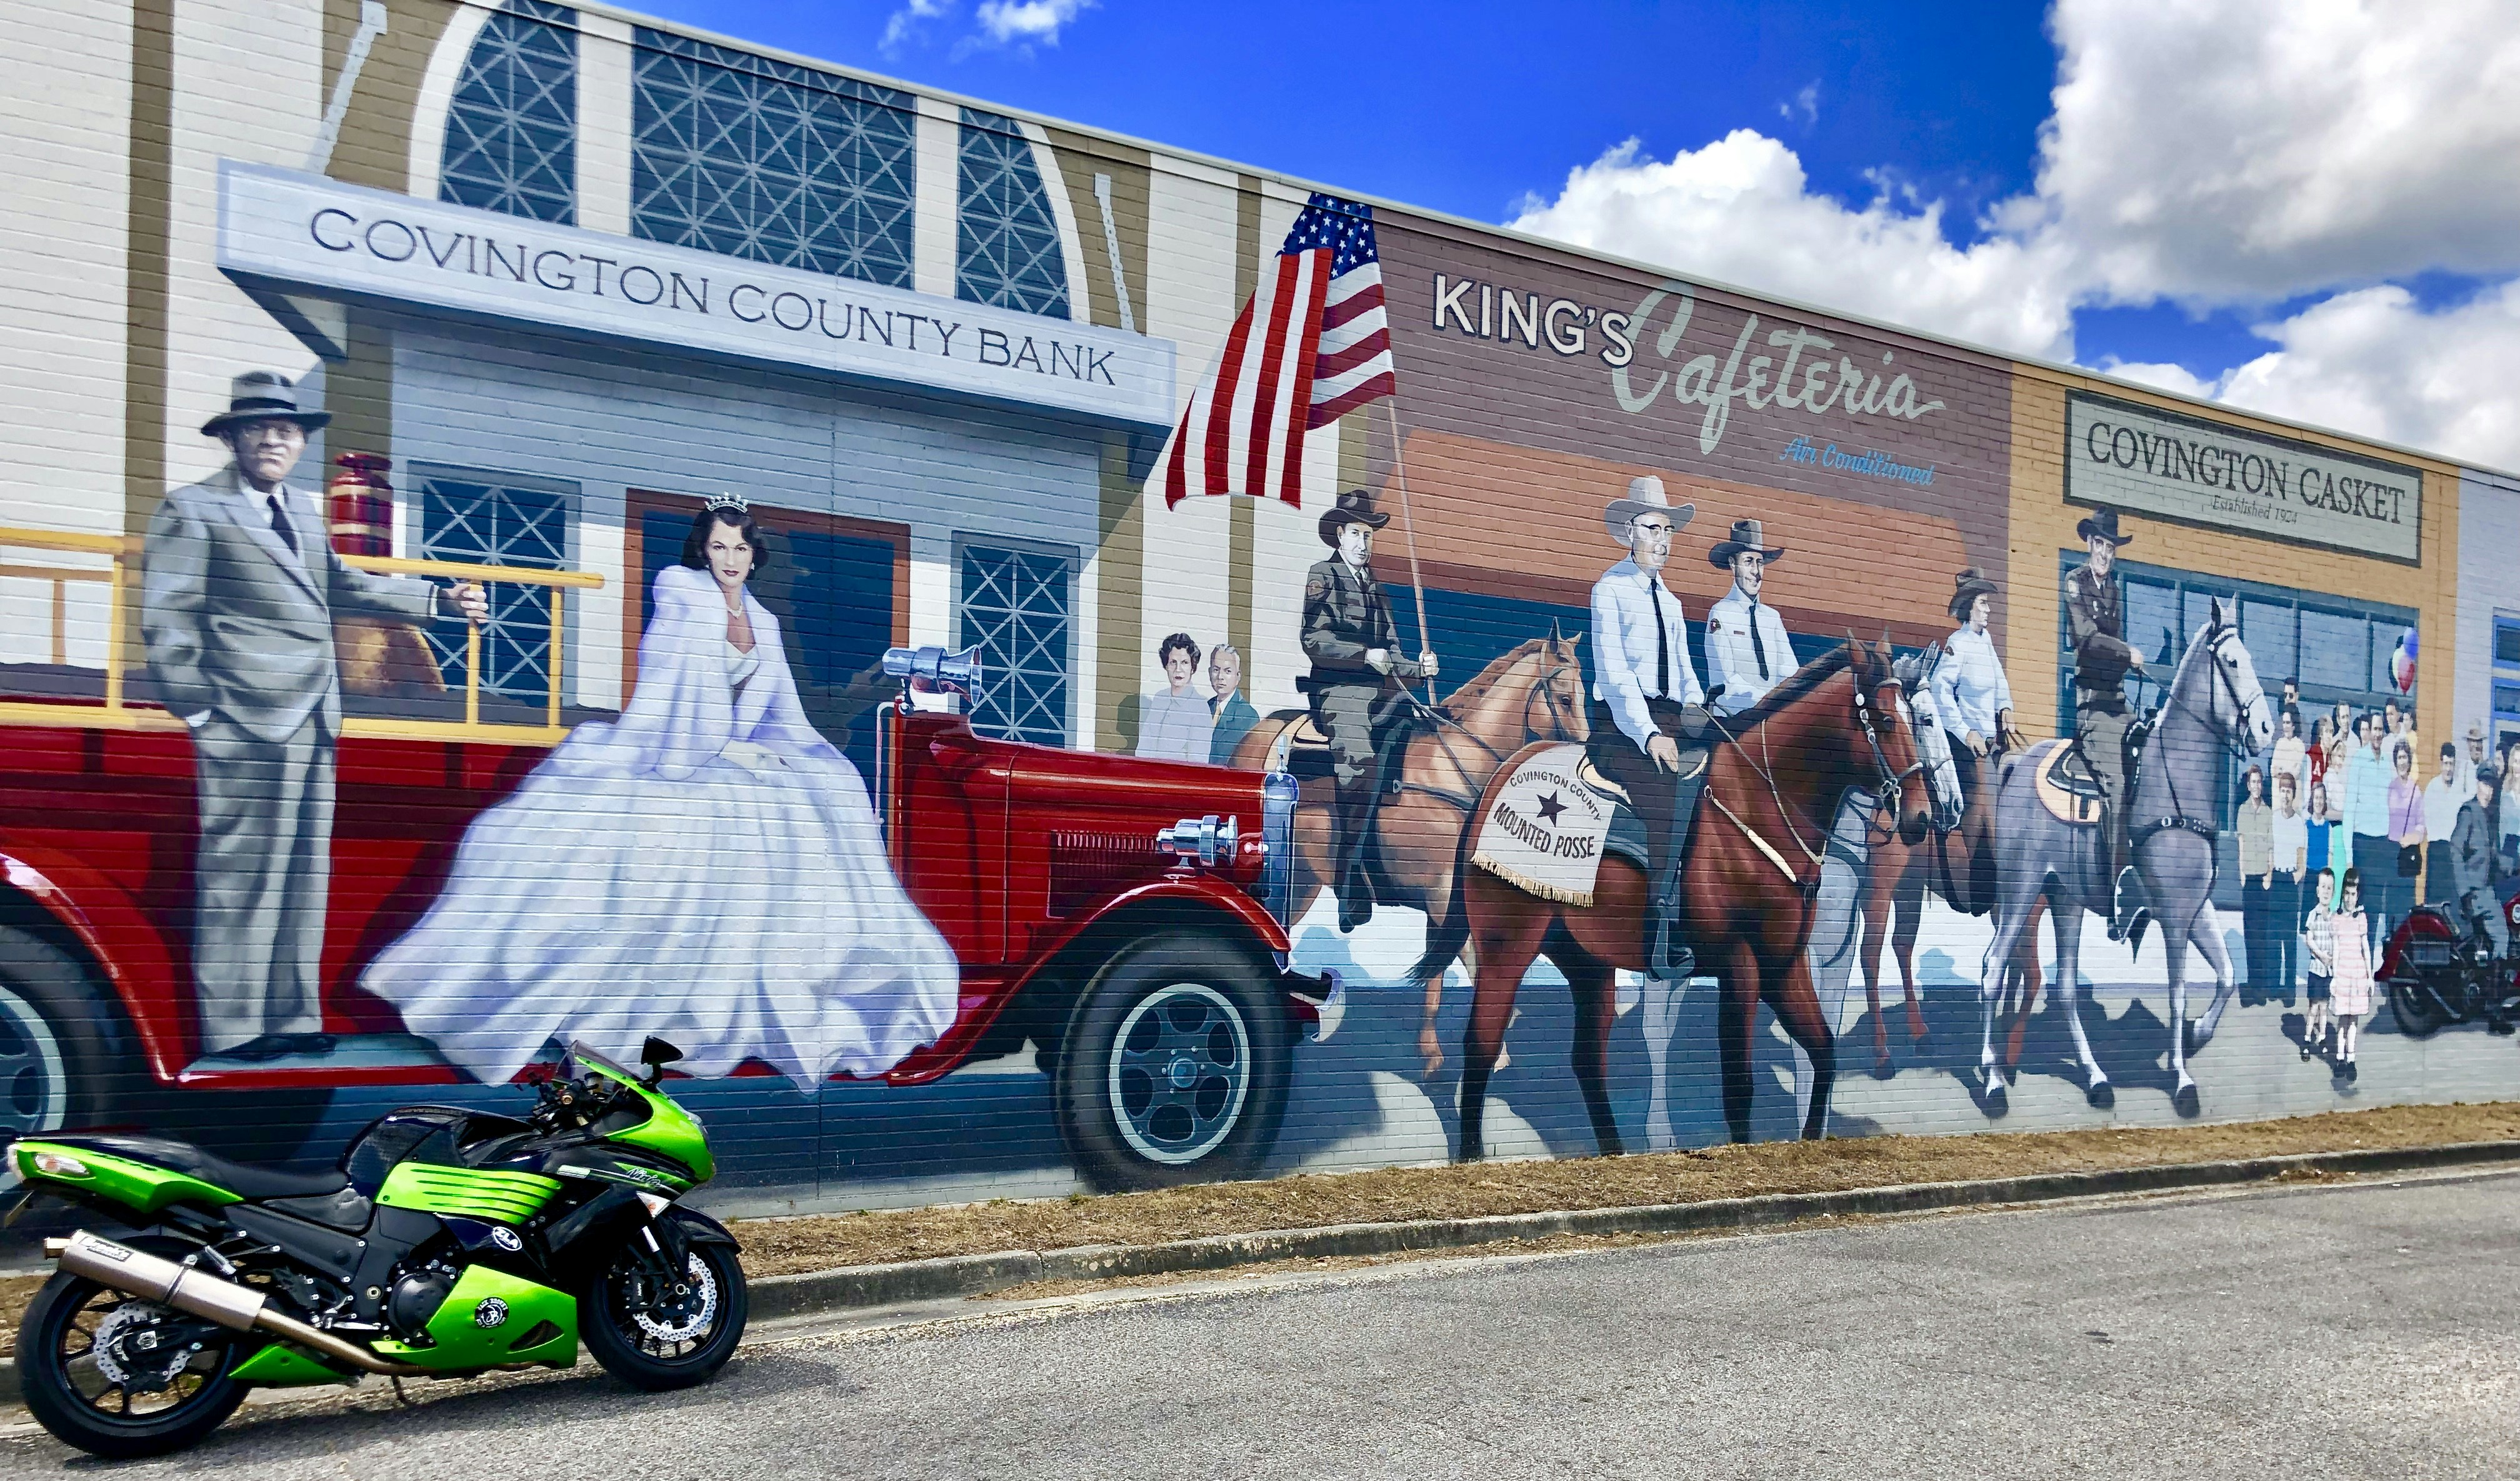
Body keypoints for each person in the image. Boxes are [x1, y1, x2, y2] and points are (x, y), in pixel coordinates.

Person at [363, 497, 960, 1089]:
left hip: (735, 756)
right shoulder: (680, 595)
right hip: (674, 751)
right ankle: (632, 1024)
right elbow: (666, 694)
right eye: (719, 546)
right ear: (703, 550)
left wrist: (801, 752)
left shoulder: (766, 622)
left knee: (821, 793)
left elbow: (781, 711)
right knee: (670, 848)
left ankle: (758, 994)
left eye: (741, 547)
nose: (730, 558)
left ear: (756, 557)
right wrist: (720, 750)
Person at [139, 371, 488, 1063]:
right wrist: (202, 710)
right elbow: (168, 619)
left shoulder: (299, 508)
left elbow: (343, 584)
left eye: (287, 430)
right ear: (234, 436)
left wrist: (436, 603)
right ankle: (236, 1029)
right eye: (259, 428)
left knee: (303, 871)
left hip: (311, 715)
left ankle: (293, 1018)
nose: (274, 439)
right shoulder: (193, 509)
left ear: (300, 441)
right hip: (242, 721)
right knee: (242, 876)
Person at [1587, 476, 1711, 983]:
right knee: (1669, 791)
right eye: (1654, 528)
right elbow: (1615, 677)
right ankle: (1659, 922)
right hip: (1620, 724)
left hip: (1668, 717)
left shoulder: (1674, 603)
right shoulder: (1610, 590)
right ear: (1629, 532)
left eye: (1669, 530)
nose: (1664, 540)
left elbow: (1684, 673)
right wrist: (1649, 734)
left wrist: (1701, 712)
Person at [1301, 489, 1436, 932]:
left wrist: (1419, 666)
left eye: (1369, 534)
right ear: (1339, 534)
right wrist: (1365, 656)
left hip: (1378, 691)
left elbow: (1392, 651)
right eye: (1357, 532)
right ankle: (1348, 872)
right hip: (1338, 690)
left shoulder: (1376, 587)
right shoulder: (1324, 575)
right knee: (1357, 758)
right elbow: (1314, 640)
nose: (1364, 542)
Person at [2062, 506, 2144, 938]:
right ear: (2090, 545)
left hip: (2120, 702)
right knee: (2114, 783)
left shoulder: (2116, 590)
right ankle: (2117, 898)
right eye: (2100, 545)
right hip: (2093, 709)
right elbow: (2088, 638)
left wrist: (2131, 663)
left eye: (2112, 548)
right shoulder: (2074, 582)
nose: (2105, 554)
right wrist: (2128, 652)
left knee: (2149, 765)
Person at [1930, 568, 2022, 808]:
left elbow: (1999, 679)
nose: (1988, 609)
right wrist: (1966, 732)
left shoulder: (1986, 640)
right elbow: (1940, 691)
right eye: (1983, 603)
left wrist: (2005, 708)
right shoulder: (1957, 644)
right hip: (1968, 751)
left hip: (1992, 743)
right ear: (1969, 607)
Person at [1703, 518, 1795, 716]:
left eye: (1760, 563)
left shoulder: (1772, 618)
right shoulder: (1720, 615)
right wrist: (1766, 701)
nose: (1756, 572)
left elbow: (1790, 673)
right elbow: (1726, 679)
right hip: (1733, 717)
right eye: (1749, 562)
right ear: (1733, 564)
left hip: (1772, 717)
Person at [2340, 713, 2393, 950]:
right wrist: (2349, 852)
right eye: (2375, 729)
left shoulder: (2389, 763)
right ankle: (2353, 960)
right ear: (2369, 731)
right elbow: (2350, 806)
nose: (2378, 734)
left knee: (2374, 910)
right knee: (2357, 906)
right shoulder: (2359, 759)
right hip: (2362, 843)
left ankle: (2368, 964)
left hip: (2382, 843)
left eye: (2382, 730)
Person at [2451, 766, 2509, 959]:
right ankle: (2497, 986)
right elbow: (2455, 850)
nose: (2489, 792)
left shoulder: (2487, 818)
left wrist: (2514, 865)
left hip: (2485, 892)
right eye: (2485, 785)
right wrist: (2465, 893)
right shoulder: (2469, 812)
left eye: (2492, 787)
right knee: (2502, 936)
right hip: (2476, 895)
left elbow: (2493, 857)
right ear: (2478, 785)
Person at [1134, 632, 1213, 762]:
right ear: (1166, 666)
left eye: (1185, 662)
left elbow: (1198, 761)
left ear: (1193, 668)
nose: (1178, 669)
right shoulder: (1160, 698)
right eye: (1173, 662)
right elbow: (1144, 746)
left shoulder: (1200, 707)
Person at [2328, 867, 2375, 1083]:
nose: (2349, 899)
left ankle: (2351, 1058)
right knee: (2342, 1019)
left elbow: (2366, 948)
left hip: (2357, 973)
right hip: (2343, 973)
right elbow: (2336, 949)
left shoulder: (2361, 918)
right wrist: (2335, 976)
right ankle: (2339, 1058)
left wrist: (2370, 976)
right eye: (2346, 894)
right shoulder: (2336, 919)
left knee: (2353, 1019)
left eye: (2353, 894)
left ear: (2358, 895)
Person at [2235, 766, 2274, 1007]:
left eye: (2260, 782)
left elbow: (2271, 845)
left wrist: (2269, 873)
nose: (2257, 786)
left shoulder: (2269, 812)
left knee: (2263, 935)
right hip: (2249, 877)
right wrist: (2240, 871)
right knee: (2250, 936)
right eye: (2253, 782)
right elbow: (2240, 842)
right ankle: (2250, 987)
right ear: (2248, 785)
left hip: (2263, 879)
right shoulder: (2242, 811)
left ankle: (2260, 989)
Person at [2270, 770, 2308, 1006]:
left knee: (2289, 940)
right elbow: (2269, 852)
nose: (2285, 795)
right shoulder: (2272, 819)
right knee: (2273, 938)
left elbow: (2302, 862)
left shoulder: (2299, 824)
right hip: (2274, 881)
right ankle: (2275, 987)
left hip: (2290, 883)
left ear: (2294, 795)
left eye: (2289, 792)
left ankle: (2289, 991)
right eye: (2282, 791)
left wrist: (2294, 878)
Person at [2386, 737, 2424, 935]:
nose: (2402, 762)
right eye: (2399, 757)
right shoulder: (2389, 789)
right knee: (2390, 906)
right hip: (2390, 853)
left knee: (2404, 908)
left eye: (2405, 757)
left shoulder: (2416, 791)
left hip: (2407, 854)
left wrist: (2410, 838)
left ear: (2409, 761)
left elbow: (2421, 826)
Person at [2421, 741, 2466, 906]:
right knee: (2434, 900)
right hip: (2436, 851)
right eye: (2446, 764)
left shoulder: (2460, 789)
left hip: (2453, 852)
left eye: (2451, 764)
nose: (2448, 769)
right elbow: (2428, 821)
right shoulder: (2432, 788)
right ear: (2441, 764)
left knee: (2453, 900)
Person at [2302, 867, 2338, 1062]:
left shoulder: (2334, 917)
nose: (2326, 891)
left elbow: (2336, 940)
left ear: (2333, 893)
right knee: (2314, 1007)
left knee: (2324, 1007)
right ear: (2317, 891)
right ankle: (2307, 1041)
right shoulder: (2313, 915)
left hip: (2328, 971)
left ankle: (2322, 1039)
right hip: (2316, 969)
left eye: (2329, 888)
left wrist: (2333, 957)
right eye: (2323, 887)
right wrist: (2321, 955)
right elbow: (2309, 939)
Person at [1206, 642, 1260, 766]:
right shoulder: (1205, 708)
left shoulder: (1248, 717)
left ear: (1238, 676)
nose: (1220, 676)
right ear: (1210, 673)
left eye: (1228, 671)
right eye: (1216, 670)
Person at [2304, 780, 2341, 911]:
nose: (2318, 802)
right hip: (2309, 873)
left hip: (2322, 875)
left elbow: (2330, 853)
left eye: (2321, 798)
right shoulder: (2306, 825)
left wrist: (2328, 875)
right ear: (2312, 800)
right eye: (2316, 798)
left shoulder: (2328, 827)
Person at [2271, 706, 2309, 811]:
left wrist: (2282, 772)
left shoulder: (2299, 745)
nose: (2285, 726)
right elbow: (2273, 771)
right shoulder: (2279, 744)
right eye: (2284, 723)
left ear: (2294, 725)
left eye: (2288, 723)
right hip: (2278, 803)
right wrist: (2287, 771)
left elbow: (2296, 773)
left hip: (2294, 804)